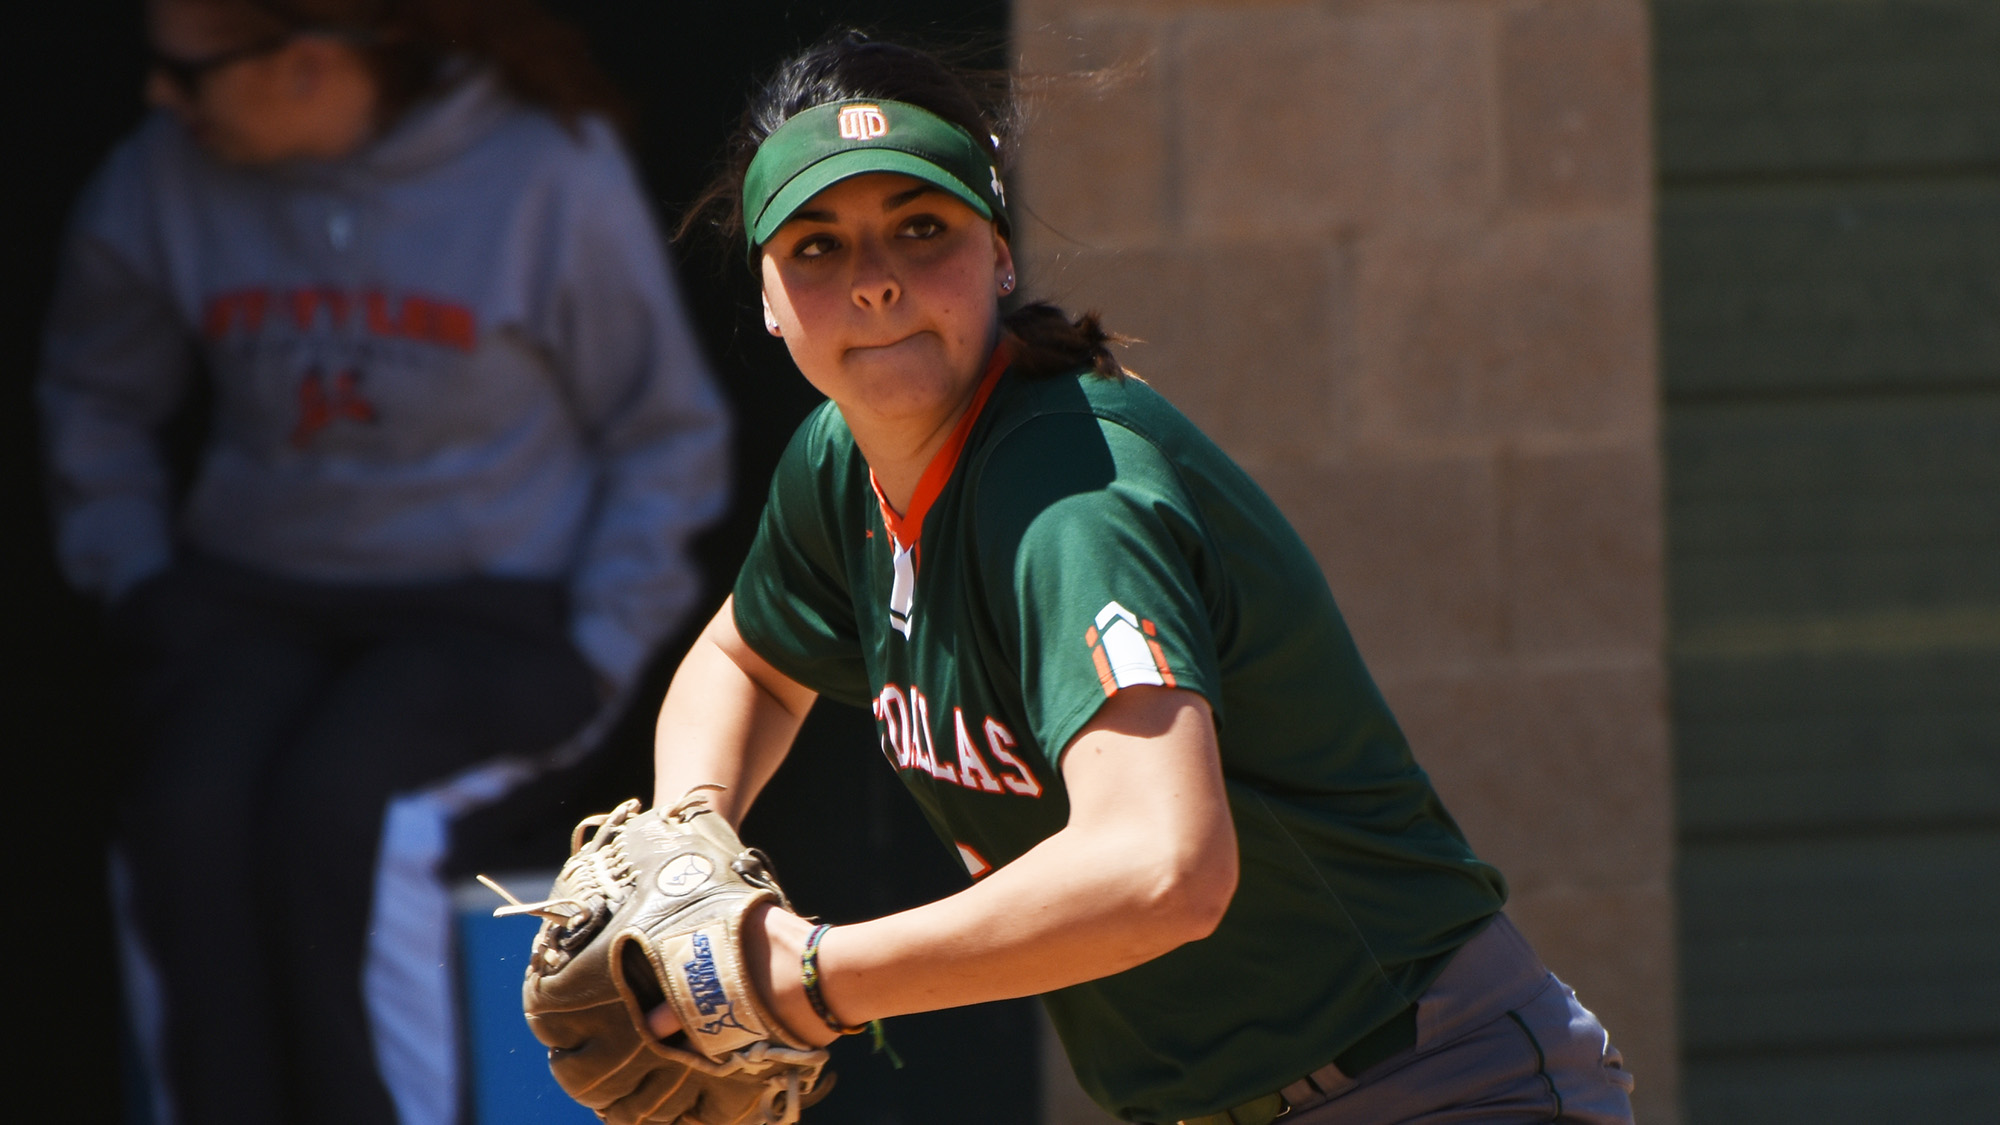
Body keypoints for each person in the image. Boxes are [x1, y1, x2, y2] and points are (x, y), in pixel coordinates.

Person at [632, 32, 1640, 1125]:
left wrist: (811, 983)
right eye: (817, 247)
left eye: (920, 229)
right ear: (769, 298)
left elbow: (1163, 870)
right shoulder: (838, 465)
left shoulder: (1069, 494)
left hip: (1423, 1083)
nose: (873, 282)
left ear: (1000, 253)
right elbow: (747, 659)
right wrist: (688, 843)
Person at [37, 1, 728, 1121]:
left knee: (344, 818)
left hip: (487, 616)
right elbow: (95, 395)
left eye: (184, 69)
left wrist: (598, 647)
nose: (159, 93)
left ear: (306, 64)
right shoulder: (169, 172)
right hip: (254, 605)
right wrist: (136, 579)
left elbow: (664, 435)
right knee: (187, 814)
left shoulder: (542, 169)